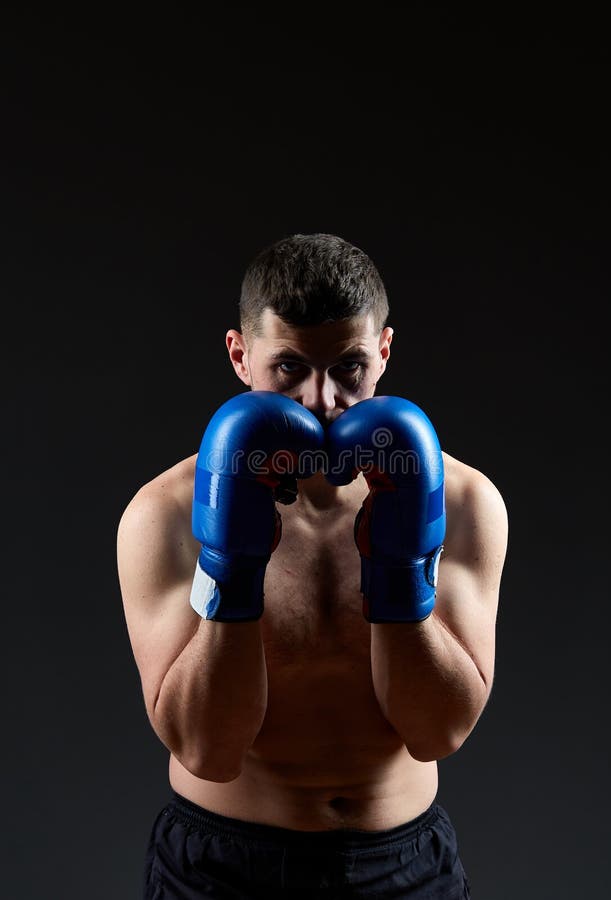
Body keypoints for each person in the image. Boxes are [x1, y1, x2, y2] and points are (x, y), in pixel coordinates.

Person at [117, 232, 508, 899]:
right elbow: (206, 749)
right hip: (221, 872)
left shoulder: (465, 501)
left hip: (404, 867)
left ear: (383, 353)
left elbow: (437, 731)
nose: (323, 401)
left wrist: (399, 564)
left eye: (349, 367)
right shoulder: (163, 514)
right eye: (290, 367)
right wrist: (231, 565)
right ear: (241, 357)